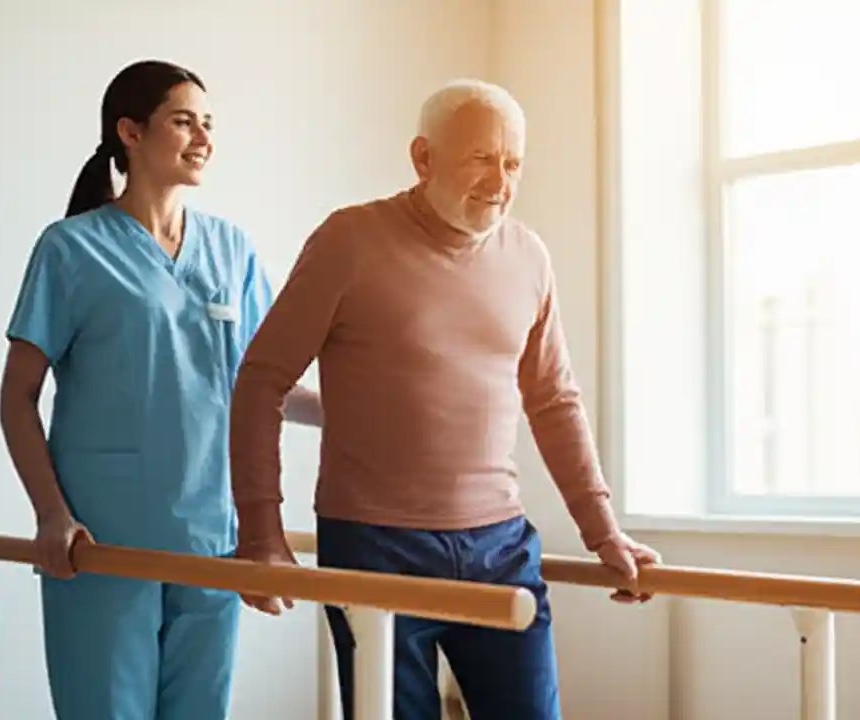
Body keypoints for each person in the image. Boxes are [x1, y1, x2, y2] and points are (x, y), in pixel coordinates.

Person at [228, 78, 661, 720]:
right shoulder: (349, 241)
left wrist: (603, 532)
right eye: (480, 158)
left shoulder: (529, 256)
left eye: (512, 162)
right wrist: (262, 532)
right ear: (423, 158)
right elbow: (262, 380)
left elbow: (554, 401)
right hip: (375, 544)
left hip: (501, 544)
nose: (499, 181)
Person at [0, 59, 322, 720]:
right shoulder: (70, 249)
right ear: (131, 132)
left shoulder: (233, 249)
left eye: (209, 124)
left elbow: (263, 388)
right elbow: (16, 398)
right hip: (103, 544)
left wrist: (365, 415)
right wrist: (51, 515)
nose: (204, 137)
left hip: (212, 538)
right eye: (184, 121)